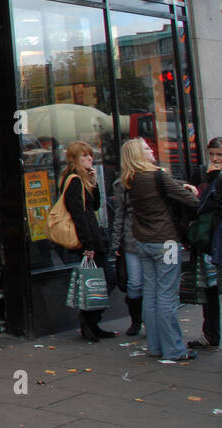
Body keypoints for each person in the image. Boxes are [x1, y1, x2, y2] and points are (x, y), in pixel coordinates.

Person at [121, 137, 199, 363]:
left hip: (143, 242)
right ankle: (174, 349)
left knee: (151, 295)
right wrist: (191, 189)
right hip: (165, 241)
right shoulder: (156, 175)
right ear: (138, 154)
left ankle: (155, 346)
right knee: (167, 296)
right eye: (146, 148)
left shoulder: (130, 179)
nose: (151, 150)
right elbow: (190, 200)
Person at [62, 141, 113, 342]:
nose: (89, 159)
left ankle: (92, 322)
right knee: (105, 278)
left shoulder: (83, 180)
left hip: (93, 237)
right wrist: (88, 245)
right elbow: (78, 214)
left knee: (101, 280)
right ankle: (88, 320)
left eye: (90, 155)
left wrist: (94, 182)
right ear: (74, 159)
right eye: (84, 156)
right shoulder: (73, 180)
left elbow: (96, 205)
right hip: (89, 240)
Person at [187, 137, 222, 349]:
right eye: (213, 154)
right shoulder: (200, 173)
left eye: (220, 155)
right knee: (208, 289)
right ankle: (211, 334)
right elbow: (194, 205)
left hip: (217, 238)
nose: (216, 159)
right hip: (206, 240)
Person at [109, 172, 143, 336]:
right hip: (131, 240)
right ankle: (136, 320)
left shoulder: (155, 176)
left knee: (149, 284)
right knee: (134, 284)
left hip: (152, 238)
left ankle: (149, 321)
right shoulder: (121, 184)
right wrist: (116, 243)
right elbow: (119, 214)